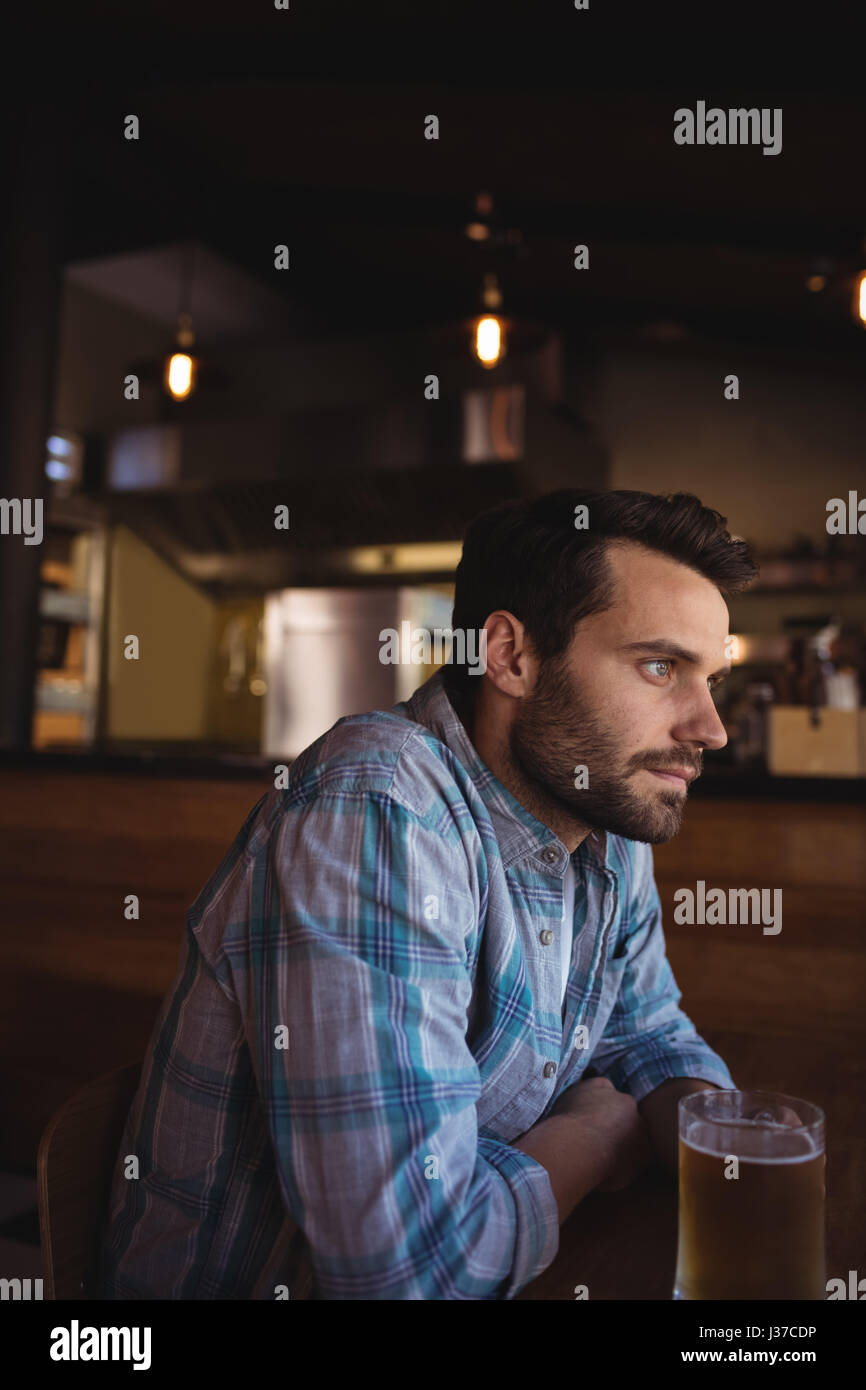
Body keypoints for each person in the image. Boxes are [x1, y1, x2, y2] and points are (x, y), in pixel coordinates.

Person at [95, 488, 757, 1301]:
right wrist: (589, 1139)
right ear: (511, 656)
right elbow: (405, 1271)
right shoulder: (377, 804)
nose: (710, 727)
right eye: (661, 667)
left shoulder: (606, 822)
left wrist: (731, 1154)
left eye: (712, 678)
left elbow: (649, 1037)